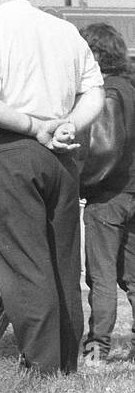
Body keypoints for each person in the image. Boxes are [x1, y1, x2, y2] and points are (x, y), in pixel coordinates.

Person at [0, 0, 105, 375]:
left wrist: (34, 127)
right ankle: (65, 365)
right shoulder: (64, 30)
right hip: (62, 159)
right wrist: (67, 125)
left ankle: (41, 368)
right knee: (63, 261)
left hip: (11, 152)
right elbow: (94, 91)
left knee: (24, 263)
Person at [77, 23, 135, 364]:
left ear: (96, 54)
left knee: (101, 278)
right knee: (133, 278)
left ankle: (97, 347)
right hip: (133, 193)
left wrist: (82, 184)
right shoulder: (130, 87)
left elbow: (104, 150)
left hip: (108, 198)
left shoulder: (107, 93)